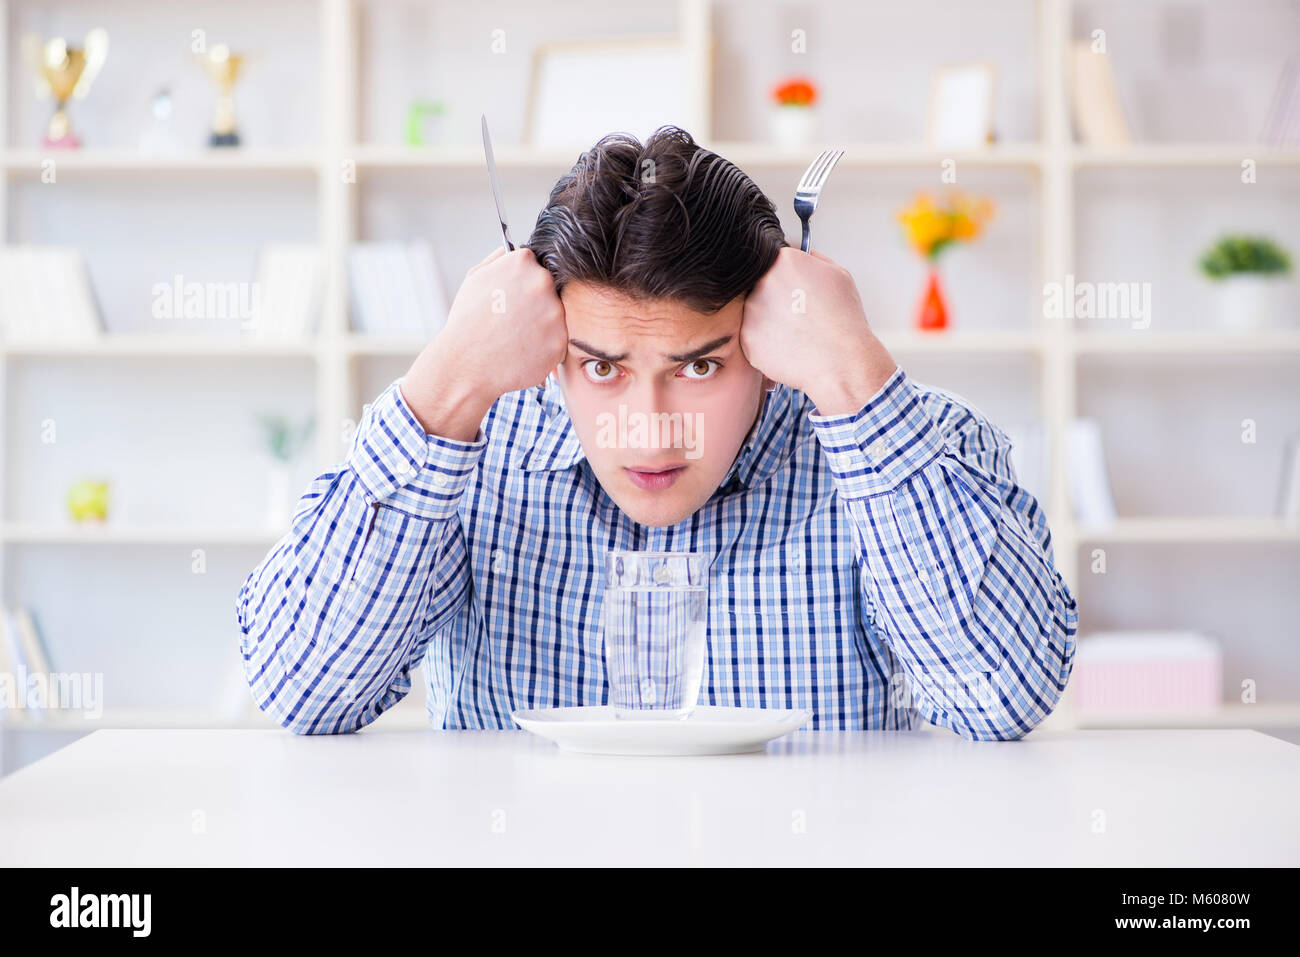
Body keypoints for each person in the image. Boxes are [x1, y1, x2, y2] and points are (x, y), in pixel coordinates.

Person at [235, 126, 1078, 740]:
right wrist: (444, 387)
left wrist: (856, 378)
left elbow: (1000, 699)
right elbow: (303, 691)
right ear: (550, 347)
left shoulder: (898, 438)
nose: (650, 424)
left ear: (765, 337)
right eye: (601, 367)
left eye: (700, 366)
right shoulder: (469, 446)